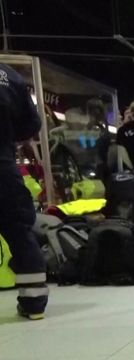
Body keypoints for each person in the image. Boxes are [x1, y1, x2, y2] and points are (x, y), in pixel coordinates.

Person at [0, 62, 47, 319]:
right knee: (19, 232)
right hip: (3, 167)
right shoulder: (9, 76)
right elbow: (30, 124)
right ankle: (34, 304)